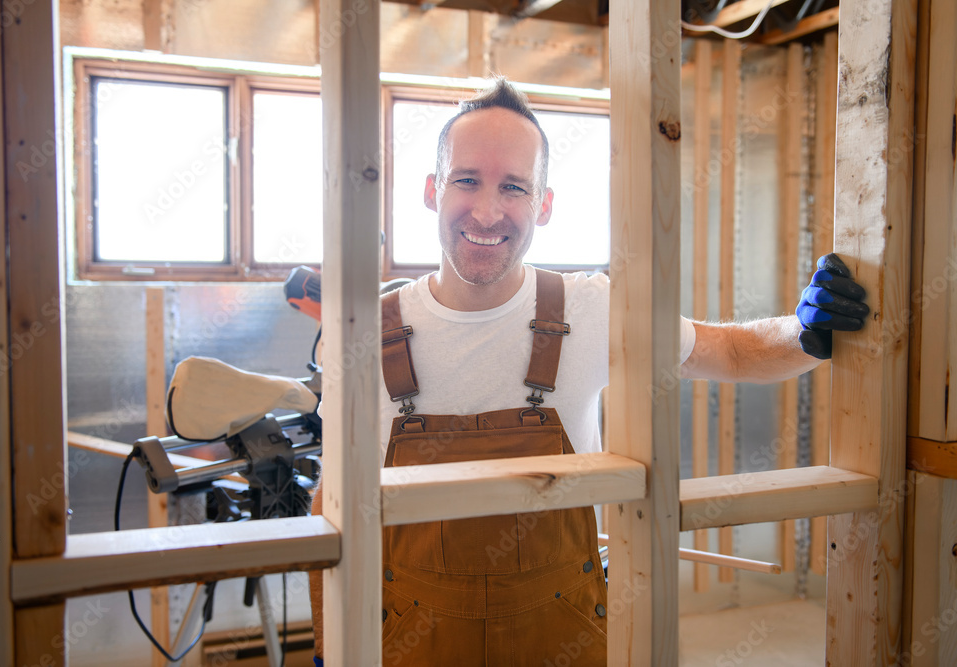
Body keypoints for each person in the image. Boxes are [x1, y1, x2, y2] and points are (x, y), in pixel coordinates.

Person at [311, 78, 868, 666]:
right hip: (406, 638)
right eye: (466, 179)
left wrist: (809, 331)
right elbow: (332, 499)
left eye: (515, 187)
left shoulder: (591, 309)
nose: (487, 210)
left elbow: (731, 352)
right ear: (431, 190)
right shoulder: (361, 333)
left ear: (544, 204)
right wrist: (329, 641)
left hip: (561, 633)